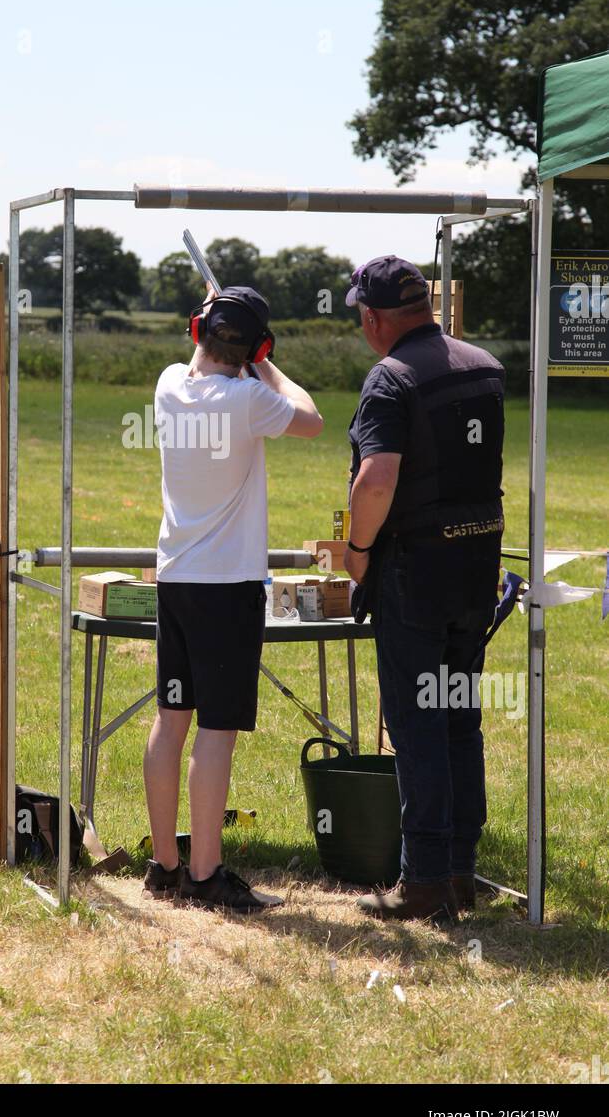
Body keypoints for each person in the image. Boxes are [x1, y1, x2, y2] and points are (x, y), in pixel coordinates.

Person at [143, 283, 323, 911]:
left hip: (177, 580)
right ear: (254, 347)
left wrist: (236, 345)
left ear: (197, 331)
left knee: (172, 721)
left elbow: (197, 357)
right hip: (228, 590)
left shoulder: (169, 385)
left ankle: (166, 865)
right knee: (216, 731)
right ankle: (206, 874)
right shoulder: (251, 397)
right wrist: (265, 360)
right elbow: (311, 417)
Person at [342, 256, 505, 924]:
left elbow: (377, 478)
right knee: (460, 718)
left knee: (416, 727)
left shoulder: (391, 378)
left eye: (360, 315)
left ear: (376, 317)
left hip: (414, 570)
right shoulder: (485, 366)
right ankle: (462, 872)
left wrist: (356, 552)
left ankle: (424, 884)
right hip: (477, 568)